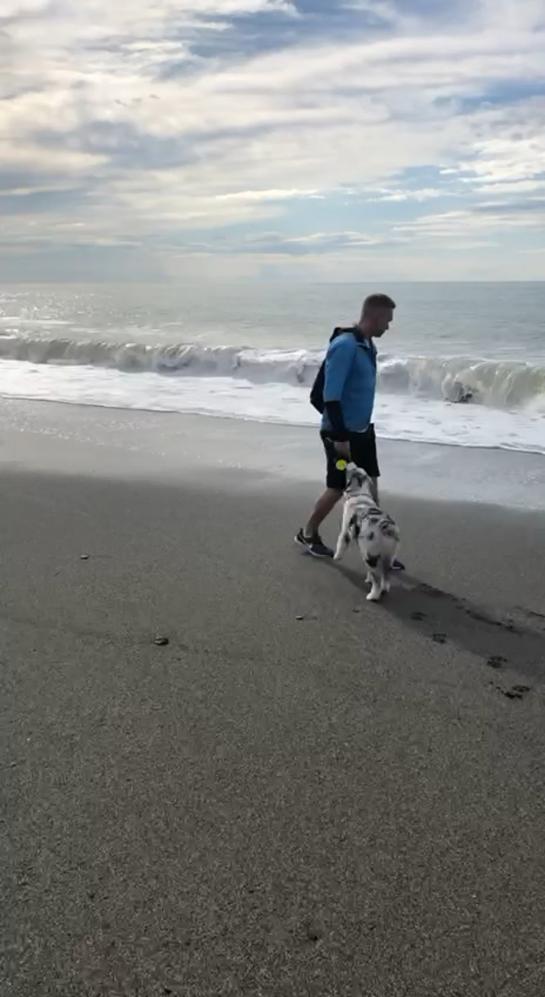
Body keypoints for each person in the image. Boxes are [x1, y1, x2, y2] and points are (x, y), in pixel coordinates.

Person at [295, 292, 398, 559]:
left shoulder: (367, 345)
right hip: (340, 436)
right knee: (338, 486)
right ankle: (307, 533)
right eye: (387, 320)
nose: (388, 326)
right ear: (374, 317)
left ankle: (377, 545)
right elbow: (330, 395)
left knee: (372, 485)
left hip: (363, 431)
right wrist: (339, 436)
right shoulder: (345, 346)